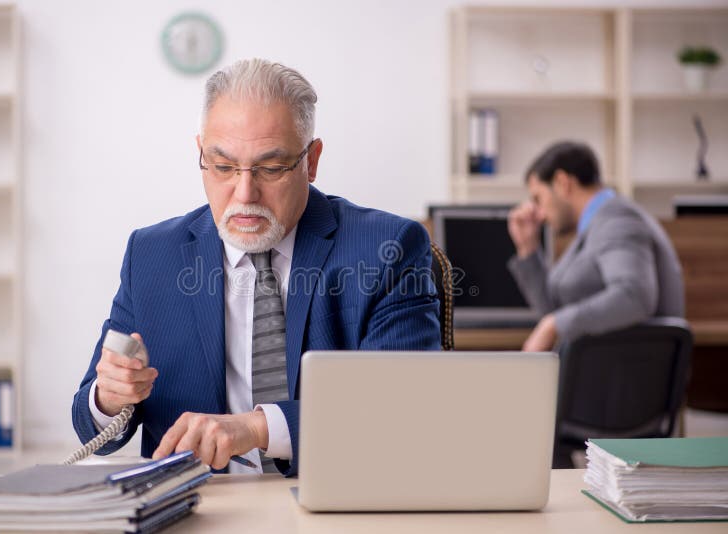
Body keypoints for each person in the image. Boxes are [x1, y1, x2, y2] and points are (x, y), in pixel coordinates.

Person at [71, 58, 440, 477]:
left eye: (271, 168)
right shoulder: (152, 253)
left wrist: (258, 427)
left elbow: (405, 406)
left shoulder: (386, 249)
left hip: (337, 498)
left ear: (311, 160)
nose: (244, 193)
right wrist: (110, 398)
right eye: (224, 167)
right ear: (201, 156)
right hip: (197, 507)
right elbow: (90, 427)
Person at [507, 141, 684, 352]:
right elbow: (554, 310)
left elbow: (634, 295)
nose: (540, 214)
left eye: (539, 198)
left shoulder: (618, 220)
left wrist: (555, 325)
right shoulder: (592, 229)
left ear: (562, 183)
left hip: (620, 376)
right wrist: (528, 247)